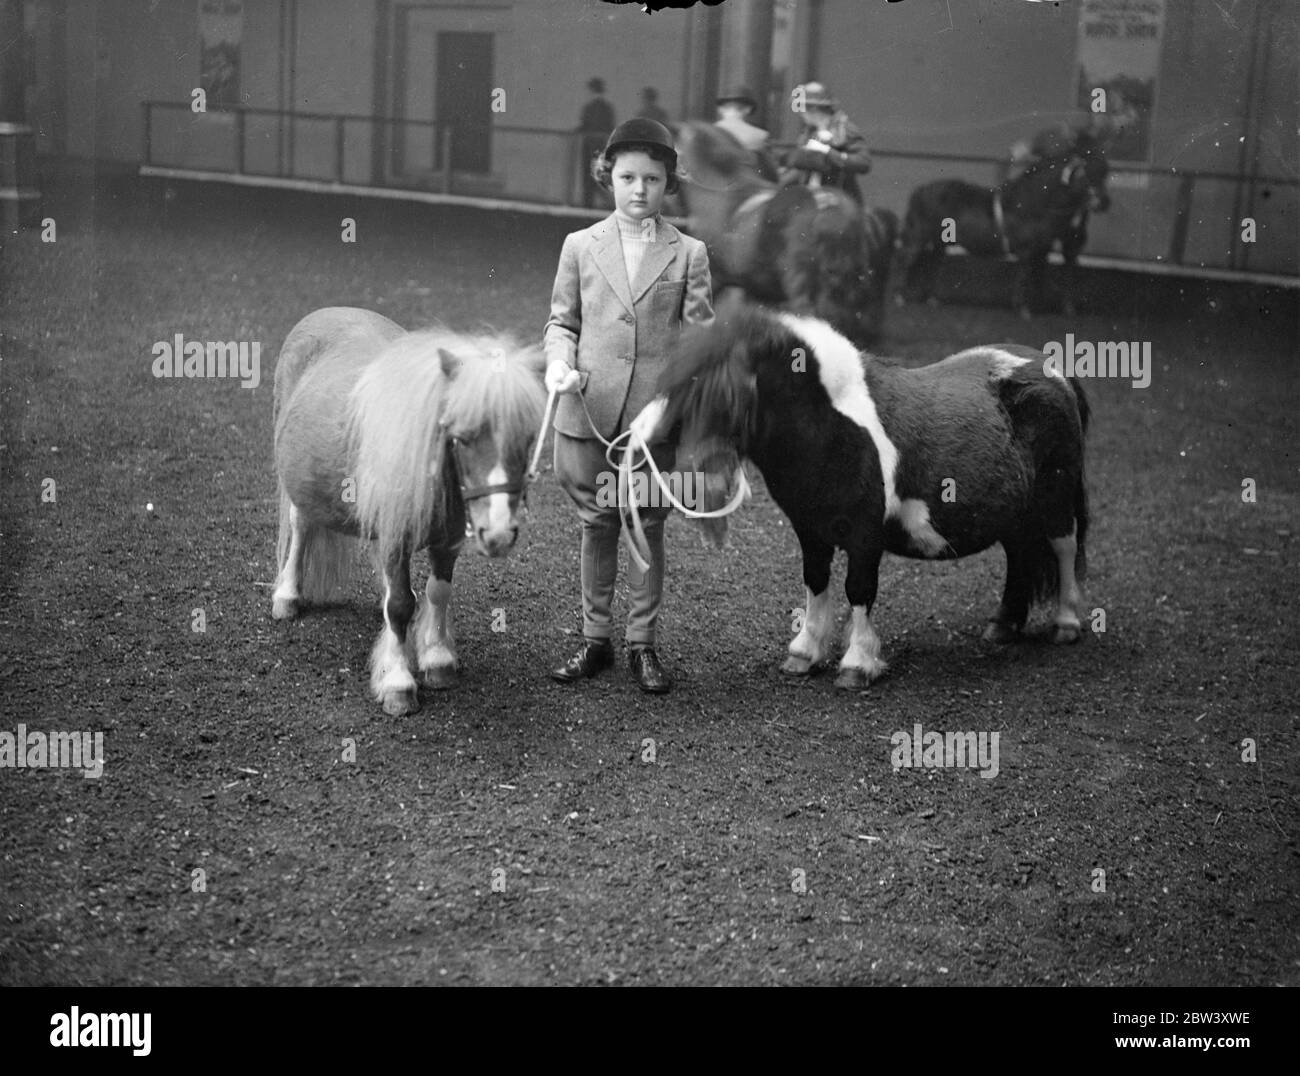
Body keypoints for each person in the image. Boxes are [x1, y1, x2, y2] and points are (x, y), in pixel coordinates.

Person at [543, 118, 714, 694]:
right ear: (607, 178)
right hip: (589, 412)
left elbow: (698, 347)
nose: (639, 189)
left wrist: (665, 407)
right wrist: (558, 363)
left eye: (653, 179)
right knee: (597, 524)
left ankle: (643, 644)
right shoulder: (579, 246)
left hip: (653, 423)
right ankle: (595, 639)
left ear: (669, 185)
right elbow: (561, 322)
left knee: (645, 528)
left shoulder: (689, 253)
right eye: (627, 177)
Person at [780, 81, 871, 204]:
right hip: (811, 198)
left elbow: (863, 163)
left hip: (840, 200)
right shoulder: (809, 132)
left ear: (814, 109)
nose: (801, 114)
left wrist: (827, 151)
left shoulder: (845, 130)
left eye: (803, 109)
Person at [714, 85, 779, 183]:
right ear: (748, 109)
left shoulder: (709, 132)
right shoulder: (760, 135)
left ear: (720, 109)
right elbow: (770, 171)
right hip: (748, 186)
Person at [577, 77, 615, 208]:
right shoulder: (607, 108)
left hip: (589, 145)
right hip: (601, 147)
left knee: (588, 175)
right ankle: (606, 202)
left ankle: (588, 203)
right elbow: (610, 126)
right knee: (598, 175)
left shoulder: (588, 107)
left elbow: (584, 125)